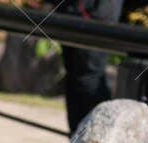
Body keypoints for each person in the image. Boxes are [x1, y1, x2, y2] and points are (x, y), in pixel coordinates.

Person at [54, 0, 126, 131]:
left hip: (96, 14)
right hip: (70, 11)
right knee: (73, 77)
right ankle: (77, 138)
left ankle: (102, 134)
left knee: (89, 78)